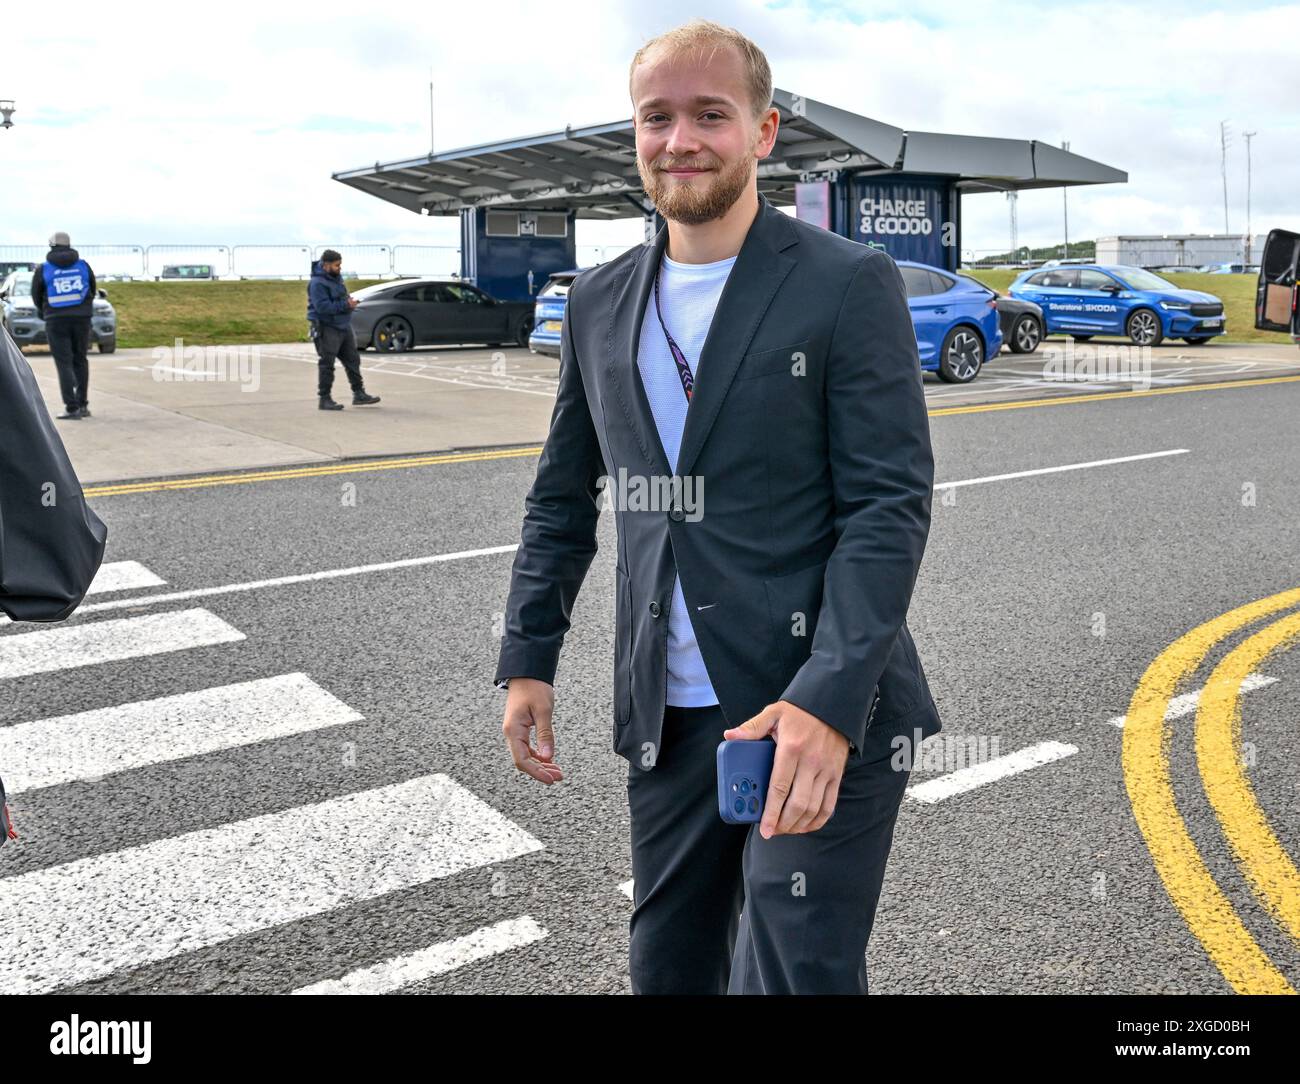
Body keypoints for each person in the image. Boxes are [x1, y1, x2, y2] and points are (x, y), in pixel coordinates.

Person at [493, 19, 942, 994]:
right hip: (672, 715)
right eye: (656, 118)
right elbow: (563, 496)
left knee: (790, 972)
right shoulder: (598, 301)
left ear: (764, 131)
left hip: (814, 706)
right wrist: (528, 656)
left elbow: (886, 507)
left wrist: (827, 704)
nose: (680, 140)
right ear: (634, 134)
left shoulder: (843, 283)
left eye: (710, 115)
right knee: (671, 972)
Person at [30, 231, 96, 420]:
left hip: (56, 321)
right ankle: (83, 404)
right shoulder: (83, 265)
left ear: (51, 246)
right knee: (80, 360)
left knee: (64, 363)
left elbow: (36, 295)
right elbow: (92, 288)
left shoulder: (44, 269)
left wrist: (45, 313)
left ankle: (72, 408)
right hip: (82, 320)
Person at [307, 250, 380, 410]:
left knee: (353, 359)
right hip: (326, 327)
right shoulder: (317, 283)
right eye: (337, 265)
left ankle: (359, 394)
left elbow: (341, 297)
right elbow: (322, 307)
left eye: (340, 265)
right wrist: (346, 306)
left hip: (343, 325)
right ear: (326, 265)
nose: (340, 268)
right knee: (327, 363)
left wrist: (349, 302)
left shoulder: (336, 279)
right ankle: (324, 399)